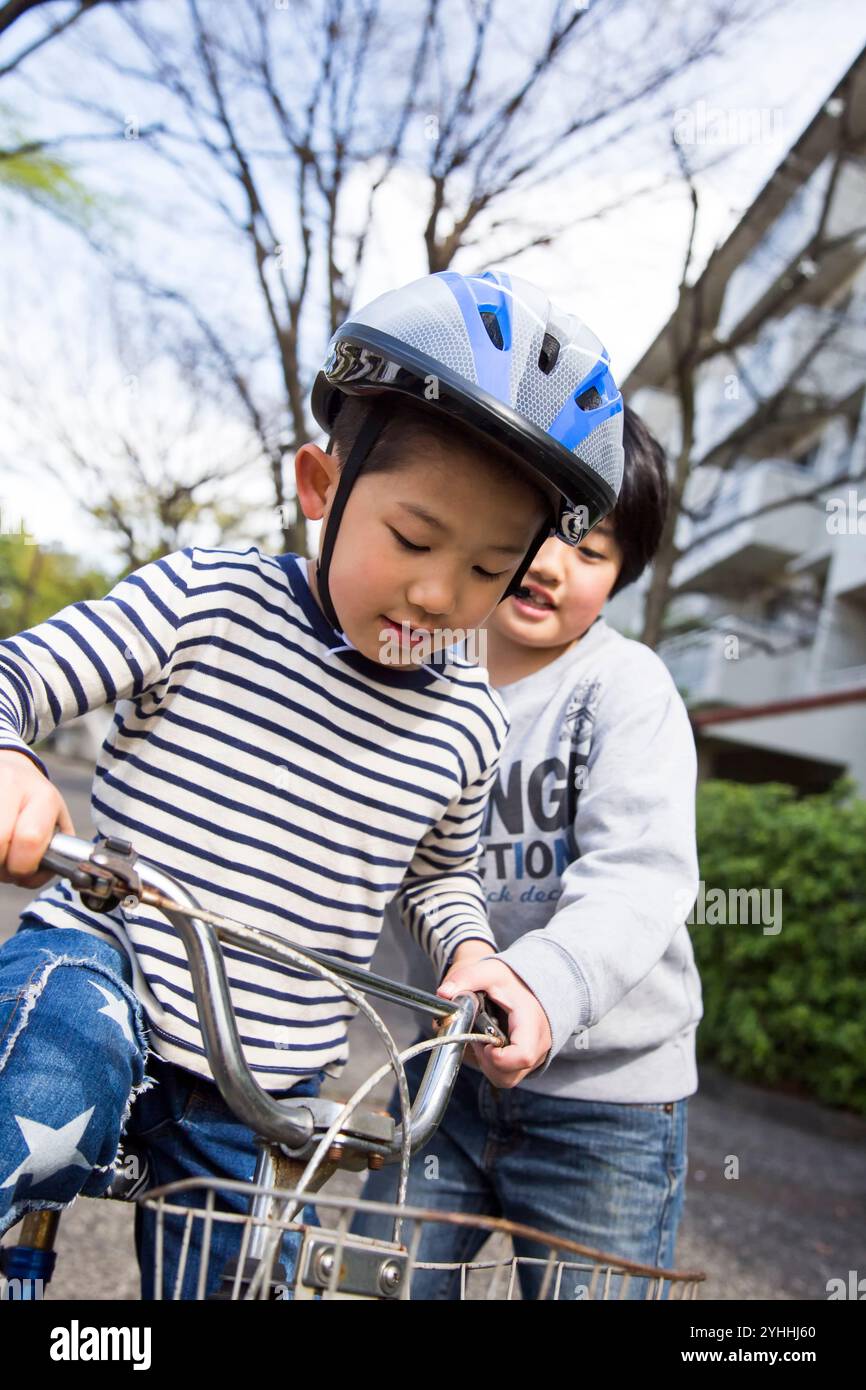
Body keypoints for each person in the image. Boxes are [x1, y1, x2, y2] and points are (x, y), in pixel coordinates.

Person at [0, 268, 625, 1298]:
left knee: (247, 1281)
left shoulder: (468, 719)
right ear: (321, 489)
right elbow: (16, 677)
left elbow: (437, 875)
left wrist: (472, 952)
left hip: (270, 1069)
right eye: (412, 539)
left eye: (484, 571)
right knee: (45, 1084)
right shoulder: (205, 600)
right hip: (107, 964)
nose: (436, 591)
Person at [357, 405, 703, 1301]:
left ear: (621, 576)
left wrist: (542, 987)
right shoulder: (414, 675)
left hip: (606, 1104)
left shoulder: (623, 689)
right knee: (371, 1284)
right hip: (444, 1074)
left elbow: (641, 875)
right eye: (542, 531)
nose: (552, 564)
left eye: (592, 552)